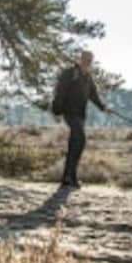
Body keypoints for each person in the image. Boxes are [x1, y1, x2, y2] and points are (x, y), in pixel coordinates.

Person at [51, 49, 107, 188]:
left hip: (81, 114)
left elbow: (93, 95)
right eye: (86, 59)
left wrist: (103, 107)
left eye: (90, 60)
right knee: (80, 140)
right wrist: (57, 111)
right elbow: (60, 92)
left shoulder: (88, 77)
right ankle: (70, 176)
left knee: (74, 144)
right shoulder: (70, 73)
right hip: (69, 112)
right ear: (80, 59)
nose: (88, 62)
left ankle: (68, 178)